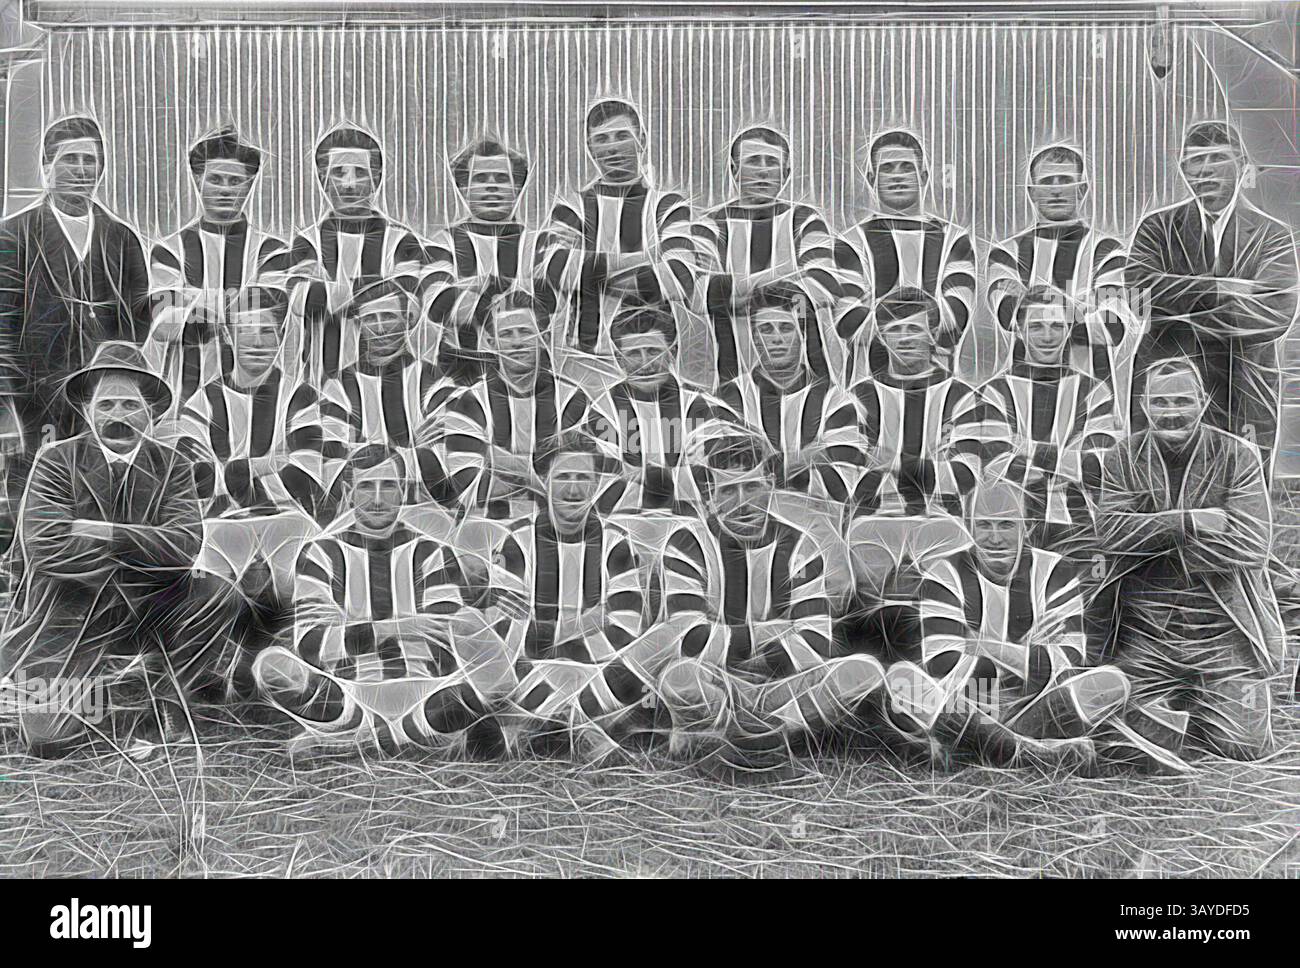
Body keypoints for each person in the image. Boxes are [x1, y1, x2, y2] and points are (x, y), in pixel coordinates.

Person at [0, 342, 237, 758]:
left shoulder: (172, 465)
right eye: (106, 404)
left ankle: (163, 697)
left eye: (130, 404)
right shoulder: (56, 461)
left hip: (149, 609)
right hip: (68, 615)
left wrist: (103, 531)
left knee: (216, 594)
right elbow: (48, 549)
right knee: (48, 740)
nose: (117, 416)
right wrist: (144, 549)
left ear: (150, 412)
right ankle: (129, 699)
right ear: (87, 411)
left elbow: (184, 546)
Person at [253, 444, 518, 757]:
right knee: (271, 666)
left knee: (478, 640)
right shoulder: (322, 553)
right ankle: (413, 736)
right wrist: (395, 628)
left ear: (403, 491)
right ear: (349, 491)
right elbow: (312, 643)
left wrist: (355, 635)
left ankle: (355, 739)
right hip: (349, 693)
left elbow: (444, 636)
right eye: (366, 486)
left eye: (388, 485)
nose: (377, 499)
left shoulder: (431, 552)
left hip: (426, 692)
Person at [649, 432, 884, 770]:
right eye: (728, 491)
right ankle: (762, 734)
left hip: (782, 689)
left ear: (771, 484)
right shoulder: (688, 544)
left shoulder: (800, 546)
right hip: (719, 683)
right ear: (709, 497)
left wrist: (730, 641)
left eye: (753, 487)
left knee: (864, 671)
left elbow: (816, 644)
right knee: (679, 678)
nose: (743, 502)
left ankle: (759, 735)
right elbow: (691, 641)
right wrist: (774, 633)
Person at [1093, 358, 1283, 770]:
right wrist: (1190, 520)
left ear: (1203, 402)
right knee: (1121, 739)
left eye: (1182, 400)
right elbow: (1110, 534)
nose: (1171, 411)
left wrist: (1148, 542)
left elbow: (1252, 544)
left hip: (1220, 632)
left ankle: (1202, 704)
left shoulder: (1238, 455)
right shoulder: (1123, 456)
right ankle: (1179, 705)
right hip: (1148, 633)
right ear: (1143, 405)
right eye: (1160, 402)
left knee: (1245, 746)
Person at [0, 116, 152, 547]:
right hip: (34, 402)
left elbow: (137, 325)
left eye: (90, 161)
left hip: (102, 401)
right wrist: (5, 408)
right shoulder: (14, 235)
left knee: (101, 504)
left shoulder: (121, 239)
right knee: (33, 504)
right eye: (70, 160)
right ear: (46, 167)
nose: (81, 170)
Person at [171, 287, 332, 693]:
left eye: (269, 332)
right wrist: (262, 465)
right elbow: (194, 480)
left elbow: (306, 481)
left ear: (282, 338)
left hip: (287, 523)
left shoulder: (300, 395)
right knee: (207, 582)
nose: (259, 343)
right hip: (220, 527)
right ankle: (192, 689)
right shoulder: (205, 400)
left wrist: (228, 473)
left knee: (306, 567)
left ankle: (293, 686)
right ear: (229, 336)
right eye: (247, 331)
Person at [904, 478, 1129, 767]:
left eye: (1007, 524)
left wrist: (981, 645)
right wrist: (1026, 655)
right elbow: (941, 663)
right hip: (968, 705)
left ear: (1027, 527)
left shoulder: (1055, 572)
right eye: (984, 525)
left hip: (1033, 707)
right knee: (905, 680)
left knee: (1112, 682)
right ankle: (1033, 753)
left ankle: (986, 746)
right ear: (968, 527)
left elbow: (1069, 662)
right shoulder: (945, 573)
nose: (995, 538)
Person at [1126, 121, 1299, 477]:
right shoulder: (1158, 229)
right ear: (1184, 170)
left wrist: (1178, 308)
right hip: (1168, 381)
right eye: (1194, 160)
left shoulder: (1272, 236)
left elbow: (1275, 313)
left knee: (1241, 494)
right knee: (1160, 492)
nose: (1204, 169)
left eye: (1217, 158)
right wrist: (1224, 289)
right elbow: (1139, 294)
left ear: (1240, 163)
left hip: (1244, 385)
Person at [839, 289, 984, 680]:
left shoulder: (961, 396)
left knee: (944, 584)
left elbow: (965, 478)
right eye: (895, 329)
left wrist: (895, 463)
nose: (905, 338)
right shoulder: (858, 397)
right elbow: (850, 475)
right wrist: (926, 467)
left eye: (915, 329)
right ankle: (877, 681)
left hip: (942, 522)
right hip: (874, 521)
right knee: (867, 588)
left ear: (933, 334)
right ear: (882, 337)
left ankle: (939, 681)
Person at [487, 432, 649, 760]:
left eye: (583, 478)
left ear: (596, 484)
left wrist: (556, 643)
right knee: (502, 678)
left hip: (595, 673)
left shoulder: (617, 543)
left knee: (635, 675)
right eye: (563, 477)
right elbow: (507, 634)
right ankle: (583, 734)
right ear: (544, 481)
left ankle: (543, 729)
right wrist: (585, 623)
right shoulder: (515, 542)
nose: (573, 489)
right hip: (531, 672)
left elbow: (625, 632)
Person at [537, 99, 698, 360]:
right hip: (585, 355)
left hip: (654, 356)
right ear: (590, 148)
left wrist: (591, 272)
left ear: (642, 140)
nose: (612, 147)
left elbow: (680, 277)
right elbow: (558, 271)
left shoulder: (667, 205)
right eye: (602, 139)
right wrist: (649, 258)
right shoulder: (572, 206)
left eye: (622, 136)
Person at [278, 125, 434, 385]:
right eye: (338, 173)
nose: (349, 184)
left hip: (392, 386)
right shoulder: (307, 242)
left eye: (359, 173)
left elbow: (408, 307)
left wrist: (329, 293)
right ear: (323, 180)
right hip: (320, 385)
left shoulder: (401, 241)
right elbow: (300, 302)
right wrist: (379, 291)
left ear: (377, 177)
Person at [146, 125, 289, 407]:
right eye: (216, 179)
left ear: (249, 185)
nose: (225, 189)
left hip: (255, 395)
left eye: (234, 181)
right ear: (199, 181)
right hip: (185, 391)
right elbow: (164, 324)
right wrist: (238, 306)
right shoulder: (169, 250)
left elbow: (267, 320)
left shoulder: (272, 251)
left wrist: (194, 304)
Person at [692, 125, 844, 386]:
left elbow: (823, 285)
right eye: (753, 161)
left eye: (771, 162)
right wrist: (788, 279)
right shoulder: (710, 225)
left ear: (785, 173)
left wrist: (736, 292)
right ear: (734, 170)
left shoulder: (804, 219)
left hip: (805, 376)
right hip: (732, 369)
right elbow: (699, 293)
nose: (763, 170)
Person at [978, 286, 1119, 557]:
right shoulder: (995, 391)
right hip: (1011, 528)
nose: (1047, 336)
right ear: (1019, 330)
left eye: (1057, 326)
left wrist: (1026, 449)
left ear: (1069, 330)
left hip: (1078, 526)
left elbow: (1097, 468)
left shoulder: (1095, 391)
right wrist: (1066, 459)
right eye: (1036, 326)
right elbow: (995, 469)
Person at [433, 291, 597, 522]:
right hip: (488, 527)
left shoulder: (572, 399)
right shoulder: (469, 403)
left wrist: (495, 457)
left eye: (526, 332)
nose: (517, 342)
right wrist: (538, 474)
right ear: (491, 343)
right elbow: (468, 490)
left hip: (555, 527)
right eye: (507, 334)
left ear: (543, 337)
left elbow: (581, 482)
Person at [985, 144, 1128, 401]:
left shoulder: (1108, 252)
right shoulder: (1007, 253)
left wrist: (1036, 313)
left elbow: (1112, 326)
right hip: (1021, 393)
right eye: (1047, 181)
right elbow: (1008, 315)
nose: (1056, 189)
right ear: (1032, 192)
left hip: (1092, 394)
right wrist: (1084, 307)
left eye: (1065, 181)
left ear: (1082, 189)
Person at [835, 130, 976, 380]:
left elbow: (954, 321)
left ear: (923, 176)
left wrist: (881, 316)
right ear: (871, 178)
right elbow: (849, 324)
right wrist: (923, 321)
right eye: (888, 168)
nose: (898, 176)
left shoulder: (954, 239)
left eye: (906, 168)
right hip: (867, 387)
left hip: (940, 388)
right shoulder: (851, 242)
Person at [587, 303, 741, 513]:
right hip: (623, 526)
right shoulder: (603, 410)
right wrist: (683, 475)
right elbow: (603, 487)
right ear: (620, 360)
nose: (645, 364)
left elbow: (717, 480)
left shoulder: (702, 406)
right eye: (634, 353)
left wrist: (636, 477)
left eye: (653, 351)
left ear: (673, 352)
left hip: (697, 523)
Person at [318, 279, 449, 504]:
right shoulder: (339, 387)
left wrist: (363, 455)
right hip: (361, 508)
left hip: (425, 507)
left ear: (407, 320)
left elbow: (444, 470)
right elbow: (334, 467)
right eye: (370, 319)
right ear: (359, 325)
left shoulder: (433, 381)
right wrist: (414, 451)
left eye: (388, 316)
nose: (379, 329)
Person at [427, 138, 541, 379]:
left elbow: (545, 310)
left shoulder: (537, 243)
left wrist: (479, 289)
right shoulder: (442, 242)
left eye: (501, 178)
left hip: (527, 370)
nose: (492, 187)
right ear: (463, 188)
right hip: (459, 368)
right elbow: (438, 305)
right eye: (480, 179)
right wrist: (510, 302)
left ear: (517, 187)